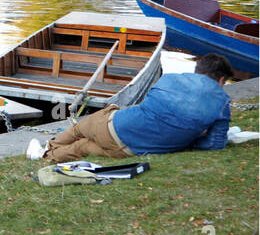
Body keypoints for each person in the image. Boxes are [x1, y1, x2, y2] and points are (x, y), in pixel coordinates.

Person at [41, 53, 233, 163]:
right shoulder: (222, 103)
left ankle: (47, 148)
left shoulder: (169, 79)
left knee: (80, 128)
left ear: (196, 71)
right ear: (221, 80)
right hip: (129, 151)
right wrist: (190, 138)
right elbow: (215, 144)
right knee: (82, 146)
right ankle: (48, 155)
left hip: (113, 125)